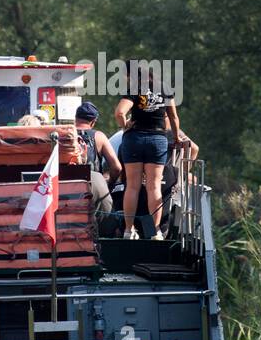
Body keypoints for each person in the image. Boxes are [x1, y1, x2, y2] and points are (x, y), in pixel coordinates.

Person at [115, 74, 182, 240]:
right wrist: (176, 138)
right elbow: (173, 116)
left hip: (134, 139)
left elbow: (119, 113)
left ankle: (129, 231)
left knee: (132, 186)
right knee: (154, 187)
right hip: (157, 139)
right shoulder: (165, 89)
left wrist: (126, 126)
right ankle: (156, 232)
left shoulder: (135, 89)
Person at [74, 101, 121, 219]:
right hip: (92, 183)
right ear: (93, 122)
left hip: (67, 184)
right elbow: (117, 167)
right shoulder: (99, 136)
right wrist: (110, 183)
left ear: (75, 118)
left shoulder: (64, 135)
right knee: (107, 220)